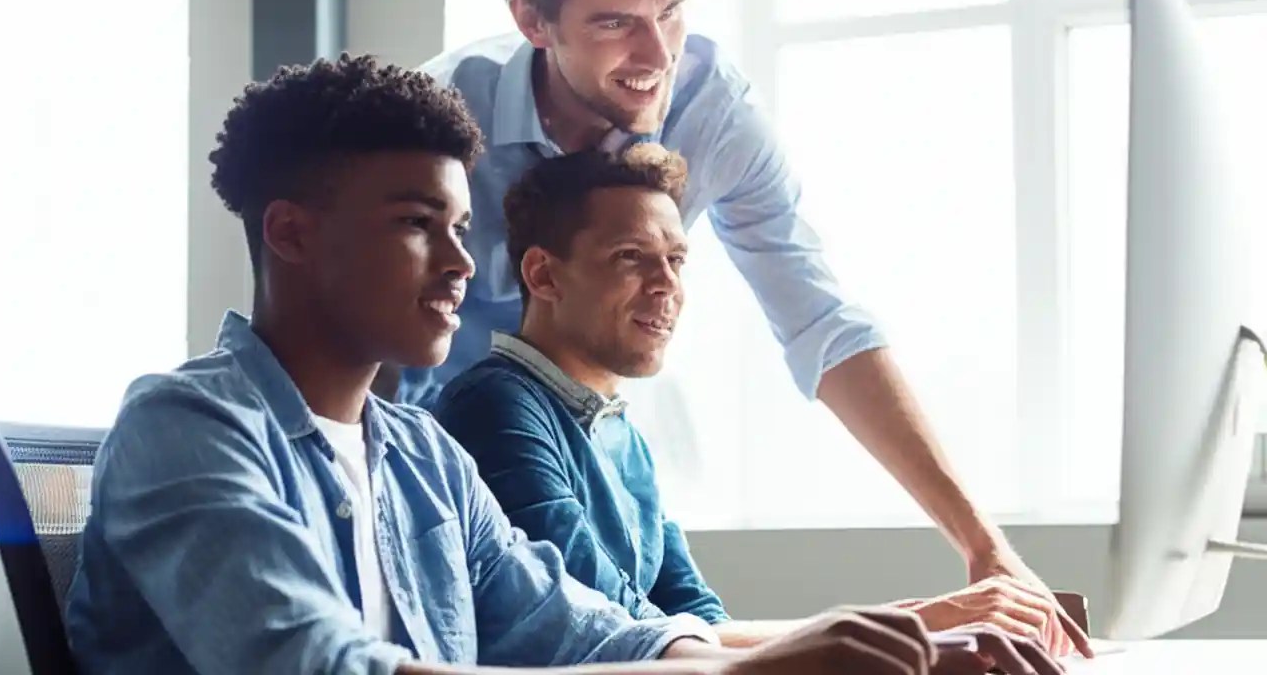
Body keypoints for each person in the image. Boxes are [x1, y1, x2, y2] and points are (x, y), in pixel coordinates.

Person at [62, 54, 1053, 675]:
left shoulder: (420, 457)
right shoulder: (186, 429)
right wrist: (743, 673)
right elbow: (326, 669)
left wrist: (890, 643)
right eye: (417, 227)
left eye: (459, 227)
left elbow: (589, 631)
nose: (460, 265)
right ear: (290, 233)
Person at [410, 0, 1092, 659]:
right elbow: (617, 631)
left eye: (670, 11)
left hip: (577, 419)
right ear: (531, 19)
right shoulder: (437, 122)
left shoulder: (712, 113)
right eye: (616, 22)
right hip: (448, 461)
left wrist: (982, 556)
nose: (657, 53)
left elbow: (821, 322)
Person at [434, 145, 1074, 654]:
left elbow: (697, 619)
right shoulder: (495, 407)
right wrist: (912, 622)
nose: (667, 287)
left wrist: (916, 633)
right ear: (544, 274)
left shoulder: (619, 430)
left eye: (677, 261)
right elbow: (622, 631)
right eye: (632, 257)